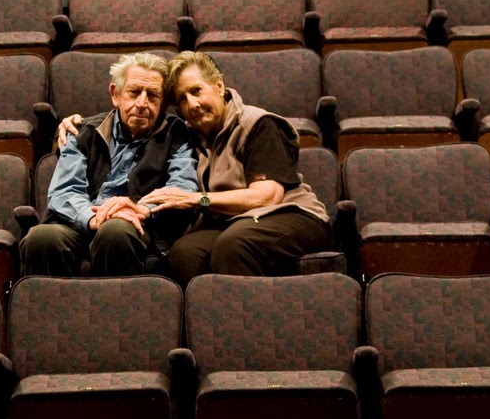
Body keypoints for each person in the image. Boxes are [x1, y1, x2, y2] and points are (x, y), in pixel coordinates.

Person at [60, 51, 331, 282]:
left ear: (219, 86)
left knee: (234, 244)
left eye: (197, 91)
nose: (193, 104)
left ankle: (247, 322)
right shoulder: (191, 133)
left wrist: (196, 199)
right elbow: (109, 122)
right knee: (184, 253)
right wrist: (68, 126)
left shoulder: (259, 124)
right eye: (182, 99)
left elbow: (266, 197)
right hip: (232, 221)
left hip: (289, 215)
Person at [21, 52, 199, 276]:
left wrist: (144, 209)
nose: (142, 103)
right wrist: (92, 218)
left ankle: (113, 300)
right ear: (116, 94)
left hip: (138, 224)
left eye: (153, 95)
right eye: (134, 92)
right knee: (40, 238)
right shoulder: (83, 131)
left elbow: (183, 186)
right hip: (83, 219)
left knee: (115, 231)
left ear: (162, 102)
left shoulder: (176, 135)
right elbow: (64, 191)